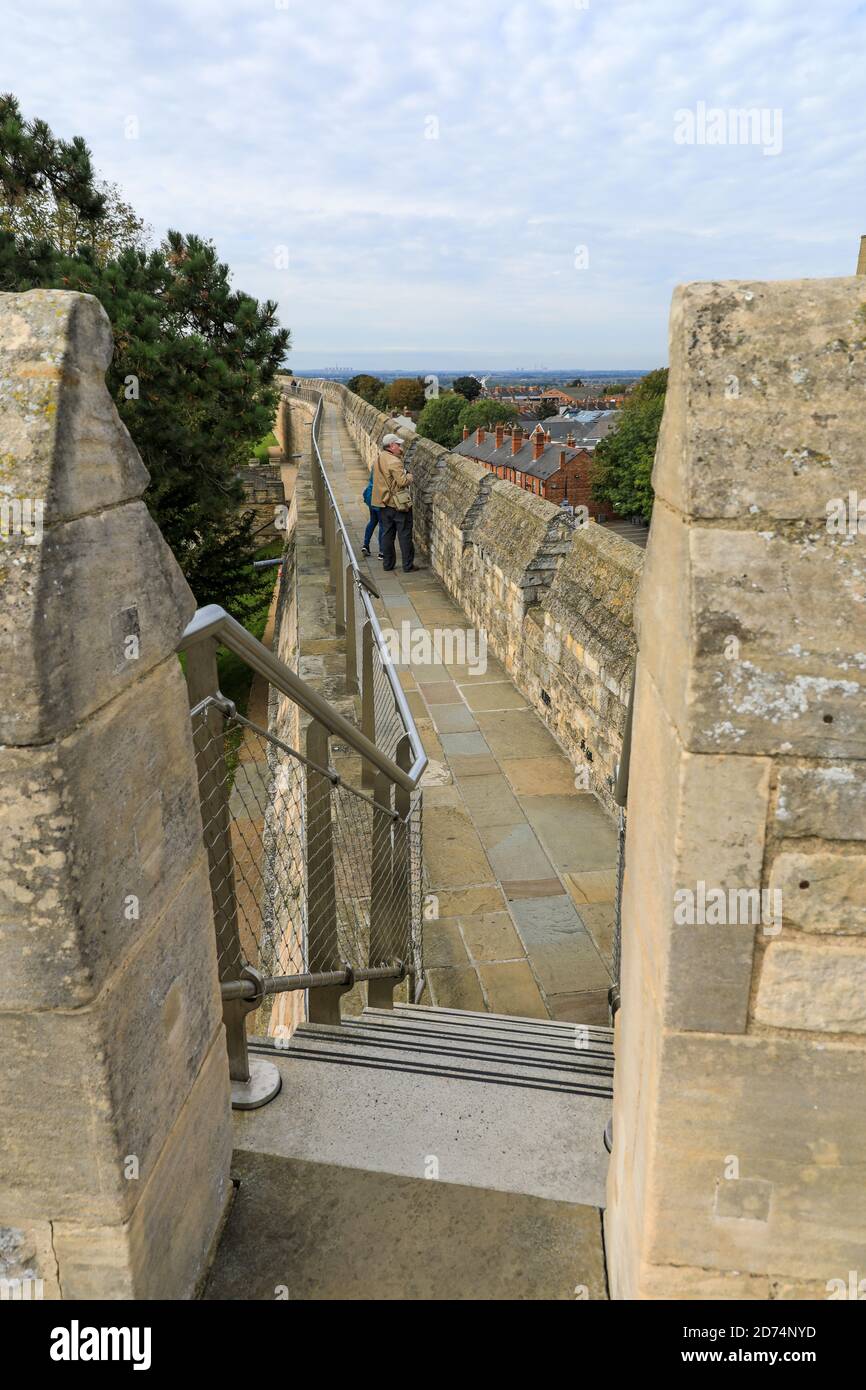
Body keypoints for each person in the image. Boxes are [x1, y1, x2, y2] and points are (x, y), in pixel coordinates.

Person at [372, 432, 419, 573]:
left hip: (383, 503)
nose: (400, 447)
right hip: (398, 504)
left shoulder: (380, 458)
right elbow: (402, 481)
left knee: (387, 534)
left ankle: (388, 564)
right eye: (398, 445)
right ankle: (408, 565)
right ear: (391, 446)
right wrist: (410, 475)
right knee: (404, 535)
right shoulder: (394, 461)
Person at [361, 468, 383, 558]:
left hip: (370, 496)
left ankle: (365, 545)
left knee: (372, 521)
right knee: (382, 525)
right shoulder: (387, 463)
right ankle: (382, 551)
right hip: (378, 498)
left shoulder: (376, 463)